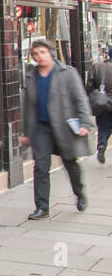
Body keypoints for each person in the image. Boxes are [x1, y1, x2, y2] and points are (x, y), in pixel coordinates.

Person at [21, 38, 94, 217]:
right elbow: (28, 106)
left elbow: (80, 99)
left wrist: (85, 123)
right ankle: (42, 207)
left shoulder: (67, 73)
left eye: (43, 53)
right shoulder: (31, 76)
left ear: (51, 53)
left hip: (63, 126)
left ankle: (80, 194)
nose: (40, 57)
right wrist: (26, 132)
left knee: (70, 163)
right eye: (36, 54)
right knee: (40, 167)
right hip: (41, 128)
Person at [87, 51, 112, 163]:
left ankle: (101, 145)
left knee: (104, 127)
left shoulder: (97, 67)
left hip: (103, 102)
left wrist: (95, 94)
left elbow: (89, 86)